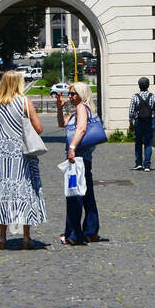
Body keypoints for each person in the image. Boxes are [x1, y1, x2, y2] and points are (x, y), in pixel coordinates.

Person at [0, 70, 46, 249]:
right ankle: (27, 237)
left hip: (3, 152)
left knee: (3, 191)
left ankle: (2, 237)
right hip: (22, 152)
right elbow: (39, 128)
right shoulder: (25, 102)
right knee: (25, 190)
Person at [55, 81, 100, 245]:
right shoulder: (80, 110)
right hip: (84, 159)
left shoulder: (81, 108)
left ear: (82, 94)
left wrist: (72, 148)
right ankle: (90, 231)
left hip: (77, 159)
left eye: (73, 93)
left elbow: (81, 129)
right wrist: (60, 108)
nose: (70, 96)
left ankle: (73, 234)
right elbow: (62, 124)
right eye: (70, 93)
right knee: (87, 195)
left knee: (74, 195)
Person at [129, 77, 155, 171]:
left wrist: (131, 123)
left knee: (138, 142)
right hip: (149, 121)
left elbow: (131, 111)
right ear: (148, 85)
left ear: (139, 86)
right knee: (148, 143)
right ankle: (147, 165)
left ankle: (138, 163)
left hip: (139, 121)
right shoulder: (152, 97)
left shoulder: (135, 97)